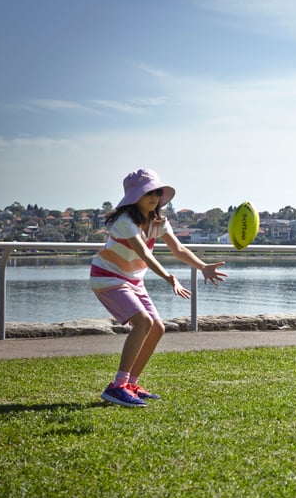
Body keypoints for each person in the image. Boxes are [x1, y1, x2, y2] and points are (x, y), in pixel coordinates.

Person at [91, 169, 227, 407]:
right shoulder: (125, 222)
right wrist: (168, 277)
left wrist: (203, 266)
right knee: (143, 322)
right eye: (147, 193)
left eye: (156, 192)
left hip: (133, 281)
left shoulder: (159, 223)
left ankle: (131, 384)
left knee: (157, 328)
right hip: (108, 277)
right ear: (135, 197)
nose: (153, 197)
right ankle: (116, 387)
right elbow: (143, 252)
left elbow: (179, 250)